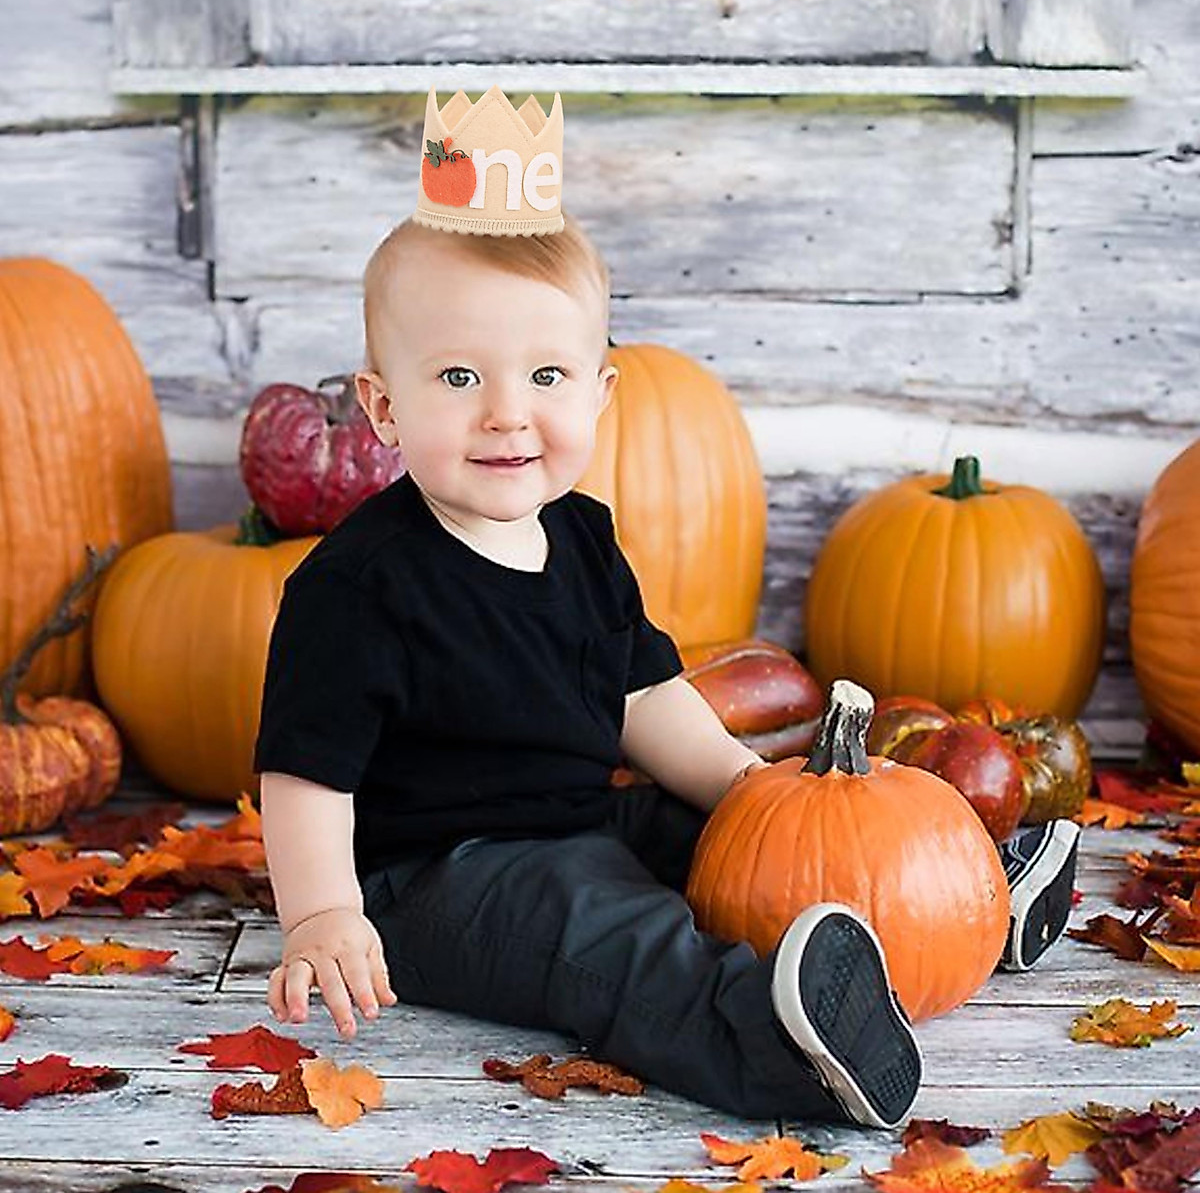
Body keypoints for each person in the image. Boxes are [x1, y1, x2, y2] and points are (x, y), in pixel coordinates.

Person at [254, 85, 1075, 1132]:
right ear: (382, 406)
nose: (508, 412)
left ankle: (961, 908)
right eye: (458, 376)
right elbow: (305, 774)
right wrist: (324, 910)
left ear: (598, 394)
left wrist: (759, 795)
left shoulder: (584, 540)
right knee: (608, 935)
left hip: (585, 819)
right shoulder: (357, 586)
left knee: (746, 838)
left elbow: (647, 697)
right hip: (438, 887)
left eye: (545, 375)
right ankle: (784, 1051)